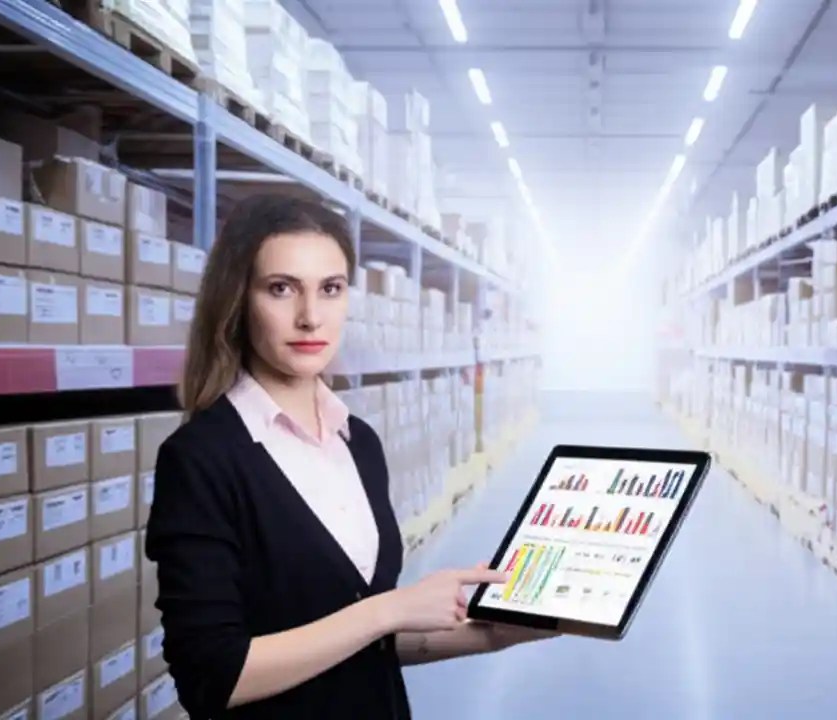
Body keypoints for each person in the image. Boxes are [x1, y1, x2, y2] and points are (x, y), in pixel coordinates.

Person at [145, 194, 554, 719]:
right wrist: (393, 608)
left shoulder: (357, 442)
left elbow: (367, 644)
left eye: (331, 289)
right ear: (238, 299)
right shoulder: (202, 459)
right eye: (281, 288)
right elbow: (212, 675)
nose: (310, 316)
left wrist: (494, 634)